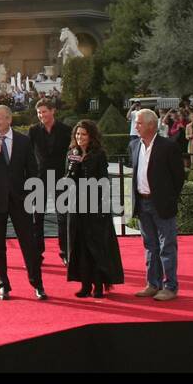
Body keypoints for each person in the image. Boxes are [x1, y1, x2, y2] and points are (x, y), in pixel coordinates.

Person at [0, 105, 46, 301]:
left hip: (19, 200)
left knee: (28, 244)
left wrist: (30, 194)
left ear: (9, 120)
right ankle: (3, 285)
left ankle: (37, 284)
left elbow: (33, 170)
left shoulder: (23, 141)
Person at [129, 109, 185, 301]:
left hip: (161, 203)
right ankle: (153, 284)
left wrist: (168, 198)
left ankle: (170, 286)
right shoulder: (135, 145)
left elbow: (178, 177)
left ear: (151, 125)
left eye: (138, 123)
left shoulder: (168, 146)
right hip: (142, 202)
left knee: (167, 246)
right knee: (150, 246)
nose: (135, 126)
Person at [65, 120, 124, 298]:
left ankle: (98, 285)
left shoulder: (98, 155)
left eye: (83, 134)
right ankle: (85, 285)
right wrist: (73, 168)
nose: (79, 137)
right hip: (77, 207)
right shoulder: (71, 154)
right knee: (80, 246)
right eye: (77, 134)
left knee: (96, 247)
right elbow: (66, 180)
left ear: (91, 136)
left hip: (95, 207)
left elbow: (104, 182)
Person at [28, 96, 73, 265]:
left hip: (61, 178)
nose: (41, 115)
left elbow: (72, 153)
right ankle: (37, 254)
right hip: (39, 178)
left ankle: (65, 252)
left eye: (44, 112)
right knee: (36, 216)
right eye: (39, 112)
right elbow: (29, 155)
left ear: (53, 111)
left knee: (63, 216)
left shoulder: (66, 130)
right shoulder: (33, 131)